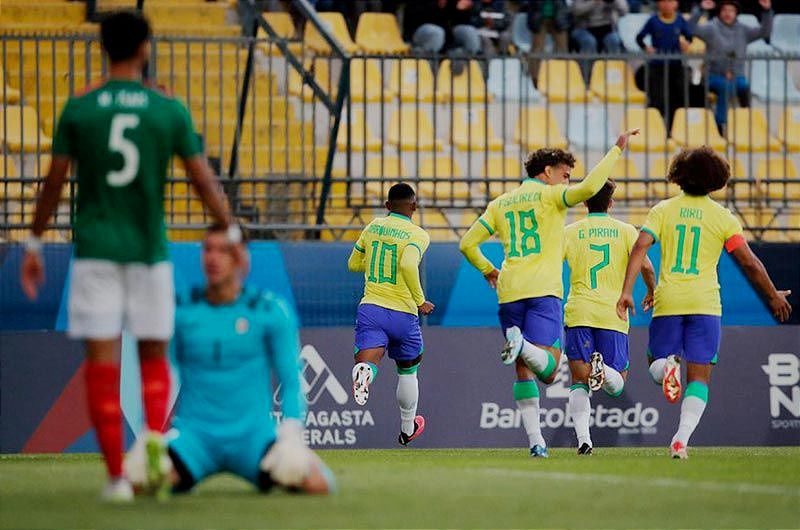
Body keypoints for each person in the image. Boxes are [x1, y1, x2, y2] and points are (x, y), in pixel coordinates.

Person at [19, 11, 236, 502]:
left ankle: (117, 477)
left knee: (102, 366)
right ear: (144, 48)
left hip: (95, 254)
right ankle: (154, 458)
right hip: (148, 253)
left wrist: (34, 242)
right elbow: (201, 177)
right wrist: (230, 228)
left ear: (102, 47)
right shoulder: (167, 108)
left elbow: (54, 181)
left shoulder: (80, 107)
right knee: (154, 359)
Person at [458, 128, 639, 458]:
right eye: (565, 175)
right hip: (543, 290)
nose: (567, 182)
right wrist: (617, 149)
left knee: (523, 368)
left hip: (509, 289)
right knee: (550, 370)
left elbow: (467, 243)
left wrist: (488, 269)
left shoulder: (500, 204)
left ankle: (536, 442)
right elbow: (590, 188)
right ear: (547, 172)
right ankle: (522, 345)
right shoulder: (552, 197)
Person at [124, 225, 335, 495]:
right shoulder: (180, 310)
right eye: (208, 249)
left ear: (241, 257)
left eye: (223, 250)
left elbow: (291, 380)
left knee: (319, 484)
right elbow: (161, 373)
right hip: (194, 440)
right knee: (134, 486)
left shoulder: (270, 310)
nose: (213, 258)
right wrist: (151, 432)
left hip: (254, 440)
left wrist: (292, 433)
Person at [616, 147, 792, 459]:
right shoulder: (723, 218)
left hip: (670, 301)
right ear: (716, 178)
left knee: (656, 365)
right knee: (699, 379)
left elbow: (640, 246)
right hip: (705, 304)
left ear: (679, 175)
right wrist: (772, 295)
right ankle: (680, 440)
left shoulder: (663, 210)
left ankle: (668, 367)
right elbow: (749, 263)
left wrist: (628, 290)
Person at [563, 180, 657, 455]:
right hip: (613, 313)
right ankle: (603, 369)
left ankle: (584, 440)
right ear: (611, 203)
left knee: (579, 381)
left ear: (584, 202)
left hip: (579, 311)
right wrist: (651, 291)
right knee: (617, 385)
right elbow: (647, 267)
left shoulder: (570, 232)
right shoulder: (626, 231)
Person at [347, 183, 434, 446]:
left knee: (368, 360)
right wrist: (420, 301)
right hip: (403, 313)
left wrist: (376, 262)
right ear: (414, 206)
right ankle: (407, 428)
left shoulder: (373, 227)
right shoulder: (417, 234)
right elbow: (407, 264)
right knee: (408, 370)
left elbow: (353, 264)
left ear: (387, 206)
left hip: (372, 308)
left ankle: (364, 373)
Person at [689, 0, 774, 134]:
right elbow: (691, 28)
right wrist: (700, 9)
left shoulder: (743, 30)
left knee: (744, 86)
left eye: (731, 10)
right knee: (725, 86)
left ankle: (746, 122)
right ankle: (720, 125)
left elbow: (765, 32)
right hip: (714, 76)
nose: (728, 13)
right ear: (719, 12)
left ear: (736, 13)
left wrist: (767, 11)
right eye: (724, 10)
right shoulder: (711, 28)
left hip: (737, 76)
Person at [635, 0, 693, 131]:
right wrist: (646, 48)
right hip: (657, 66)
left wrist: (686, 43)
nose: (667, 4)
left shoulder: (680, 20)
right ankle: (655, 129)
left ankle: (673, 130)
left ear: (676, 4)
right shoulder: (653, 20)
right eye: (663, 1)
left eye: (670, 1)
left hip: (676, 65)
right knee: (657, 99)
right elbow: (639, 37)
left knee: (678, 98)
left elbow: (689, 36)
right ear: (659, 4)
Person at [570, 0, 628, 82]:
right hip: (583, 29)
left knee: (613, 40)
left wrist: (613, 2)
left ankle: (614, 78)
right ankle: (586, 78)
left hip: (607, 29)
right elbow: (576, 10)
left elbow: (624, 11)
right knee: (589, 41)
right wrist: (594, 2)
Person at [527, 0, 570, 88]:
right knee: (537, 50)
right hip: (538, 13)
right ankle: (534, 82)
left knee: (562, 50)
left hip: (558, 12)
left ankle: (561, 80)